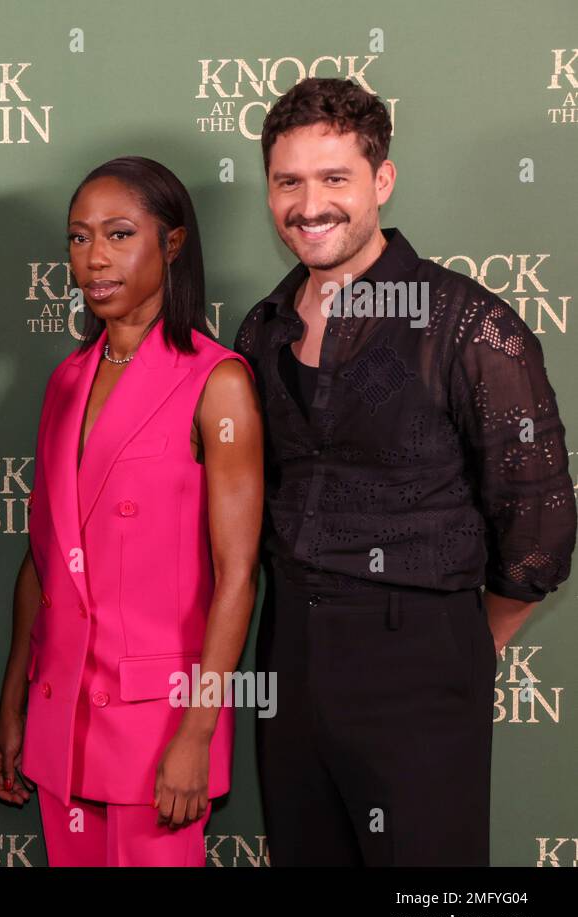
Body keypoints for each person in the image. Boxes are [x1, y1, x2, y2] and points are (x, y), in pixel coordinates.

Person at [235, 77, 576, 865]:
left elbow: (540, 526)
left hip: (419, 654)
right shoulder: (263, 326)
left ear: (381, 181)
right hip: (289, 653)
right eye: (288, 181)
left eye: (334, 179)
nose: (309, 204)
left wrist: (459, 642)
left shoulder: (467, 324)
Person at [0, 157, 263, 866]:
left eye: (118, 234)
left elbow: (237, 576)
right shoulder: (67, 380)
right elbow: (43, 559)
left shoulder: (217, 381)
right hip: (61, 710)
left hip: (158, 722)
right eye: (79, 239)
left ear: (172, 244)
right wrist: (15, 702)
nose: (94, 258)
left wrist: (199, 734)